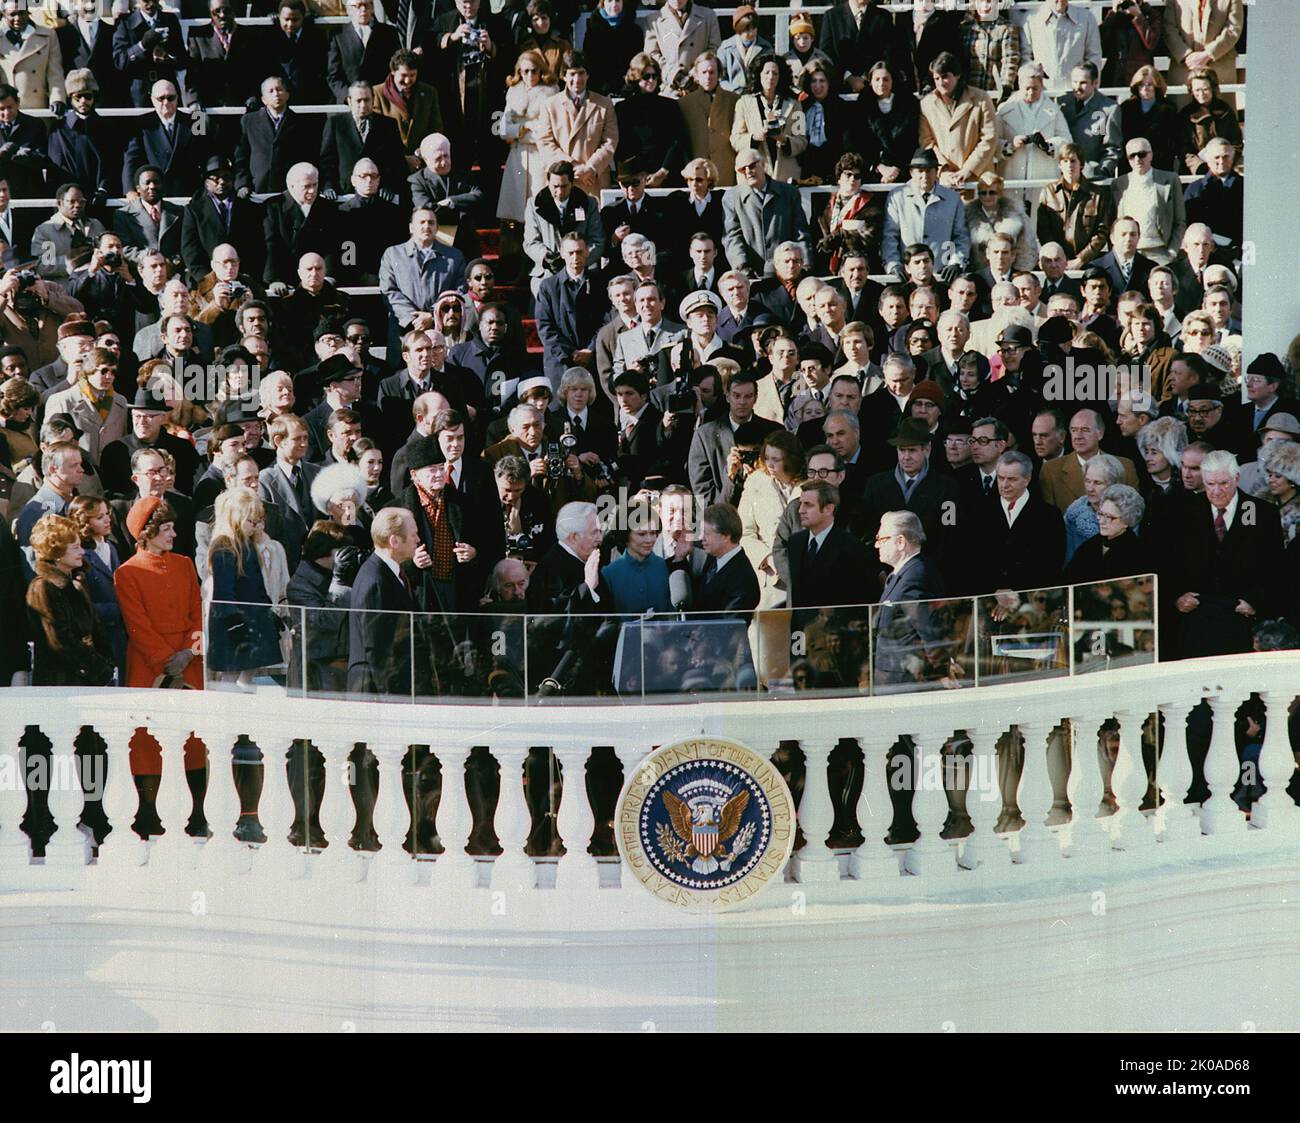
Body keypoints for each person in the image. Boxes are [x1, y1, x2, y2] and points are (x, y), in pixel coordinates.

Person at [1170, 449, 1280, 658]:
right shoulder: (1184, 511)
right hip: (1197, 620)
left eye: (1223, 483)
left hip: (1242, 619)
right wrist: (1177, 597)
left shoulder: (1259, 512)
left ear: (1236, 478)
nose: (1217, 491)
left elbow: (1274, 568)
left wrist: (1256, 603)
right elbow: (1170, 562)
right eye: (1210, 484)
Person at [24, 512, 115, 687]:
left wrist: (107, 663)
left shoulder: (76, 585)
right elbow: (60, 641)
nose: (82, 551)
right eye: (75, 548)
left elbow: (96, 631)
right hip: (61, 683)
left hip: (86, 679)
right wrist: (98, 668)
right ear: (56, 552)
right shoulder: (43, 587)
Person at [206, 487, 284, 687]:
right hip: (234, 623)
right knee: (231, 675)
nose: (256, 526)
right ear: (235, 519)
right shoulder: (225, 547)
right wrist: (234, 622)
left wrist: (269, 613)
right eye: (251, 521)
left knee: (249, 673)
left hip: (252, 618)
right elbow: (223, 592)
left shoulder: (247, 545)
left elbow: (258, 586)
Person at [347, 506, 417, 697]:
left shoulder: (389, 573)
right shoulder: (375, 581)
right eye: (413, 535)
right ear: (394, 541)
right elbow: (376, 648)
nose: (418, 540)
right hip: (375, 693)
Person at [536, 50, 618, 197]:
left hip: (593, 181)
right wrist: (573, 167)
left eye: (581, 73)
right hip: (561, 180)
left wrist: (591, 168)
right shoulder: (550, 105)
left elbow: (610, 142)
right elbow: (545, 142)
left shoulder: (604, 104)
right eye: (572, 74)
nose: (577, 79)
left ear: (588, 75)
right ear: (564, 76)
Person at [722, 148, 813, 277]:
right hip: (752, 272)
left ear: (763, 164)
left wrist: (804, 265)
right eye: (743, 169)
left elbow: (800, 232)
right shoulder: (732, 197)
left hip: (787, 271)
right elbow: (732, 237)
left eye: (752, 165)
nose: (748, 171)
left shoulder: (789, 193)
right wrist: (742, 267)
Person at [881, 148, 969, 280]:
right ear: (911, 173)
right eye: (920, 171)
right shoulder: (897, 196)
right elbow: (890, 236)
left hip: (941, 273)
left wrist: (956, 262)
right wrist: (893, 264)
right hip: (907, 273)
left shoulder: (953, 198)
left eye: (929, 170)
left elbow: (961, 236)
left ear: (936, 172)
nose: (925, 176)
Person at [496, 51, 560, 229]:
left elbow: (548, 130)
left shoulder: (551, 92)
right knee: (515, 212)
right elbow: (502, 129)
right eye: (525, 71)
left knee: (539, 204)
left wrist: (523, 131)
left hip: (540, 154)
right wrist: (524, 128)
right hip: (518, 156)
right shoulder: (514, 91)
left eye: (534, 71)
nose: (530, 76)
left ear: (541, 70)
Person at [918, 52, 996, 191]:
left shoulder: (981, 98)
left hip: (978, 179)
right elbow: (927, 141)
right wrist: (944, 170)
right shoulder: (926, 104)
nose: (941, 82)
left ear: (957, 75)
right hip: (944, 180)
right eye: (937, 78)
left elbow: (989, 138)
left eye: (945, 77)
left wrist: (968, 169)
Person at [1035, 143, 1115, 269]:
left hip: (1088, 262)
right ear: (1059, 165)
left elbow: (1102, 232)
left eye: (1073, 161)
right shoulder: (1048, 192)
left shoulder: (1097, 194)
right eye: (1065, 161)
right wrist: (1058, 258)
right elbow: (1043, 230)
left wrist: (1081, 259)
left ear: (1081, 164)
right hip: (1055, 263)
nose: (1069, 165)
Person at [730, 52, 806, 184]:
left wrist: (782, 139)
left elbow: (802, 140)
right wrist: (756, 137)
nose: (770, 77)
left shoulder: (795, 104)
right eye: (766, 72)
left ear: (780, 77)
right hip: (754, 175)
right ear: (759, 75)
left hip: (786, 177)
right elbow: (735, 139)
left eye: (775, 73)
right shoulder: (743, 103)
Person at [1112, 139, 1187, 265]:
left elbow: (1180, 221)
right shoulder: (1119, 183)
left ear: (1151, 155)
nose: (1137, 159)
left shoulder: (1170, 179)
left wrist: (1172, 252)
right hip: (1130, 253)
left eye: (1142, 154)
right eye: (1132, 156)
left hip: (1161, 253)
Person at [678, 53, 740, 190]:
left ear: (719, 74)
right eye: (704, 72)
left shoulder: (734, 100)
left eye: (712, 72)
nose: (708, 76)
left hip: (726, 171)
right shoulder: (684, 104)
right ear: (696, 75)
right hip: (696, 175)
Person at [1064, 483, 1147, 583]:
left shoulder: (1138, 553)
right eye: (1101, 514)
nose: (1101, 521)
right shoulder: (1089, 545)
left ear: (1127, 521)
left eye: (1110, 517)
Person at [1026, 0, 1102, 93]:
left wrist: (1089, 91)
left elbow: (1094, 57)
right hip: (1041, 94)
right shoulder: (1031, 19)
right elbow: (1025, 59)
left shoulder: (1086, 18)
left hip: (1077, 94)